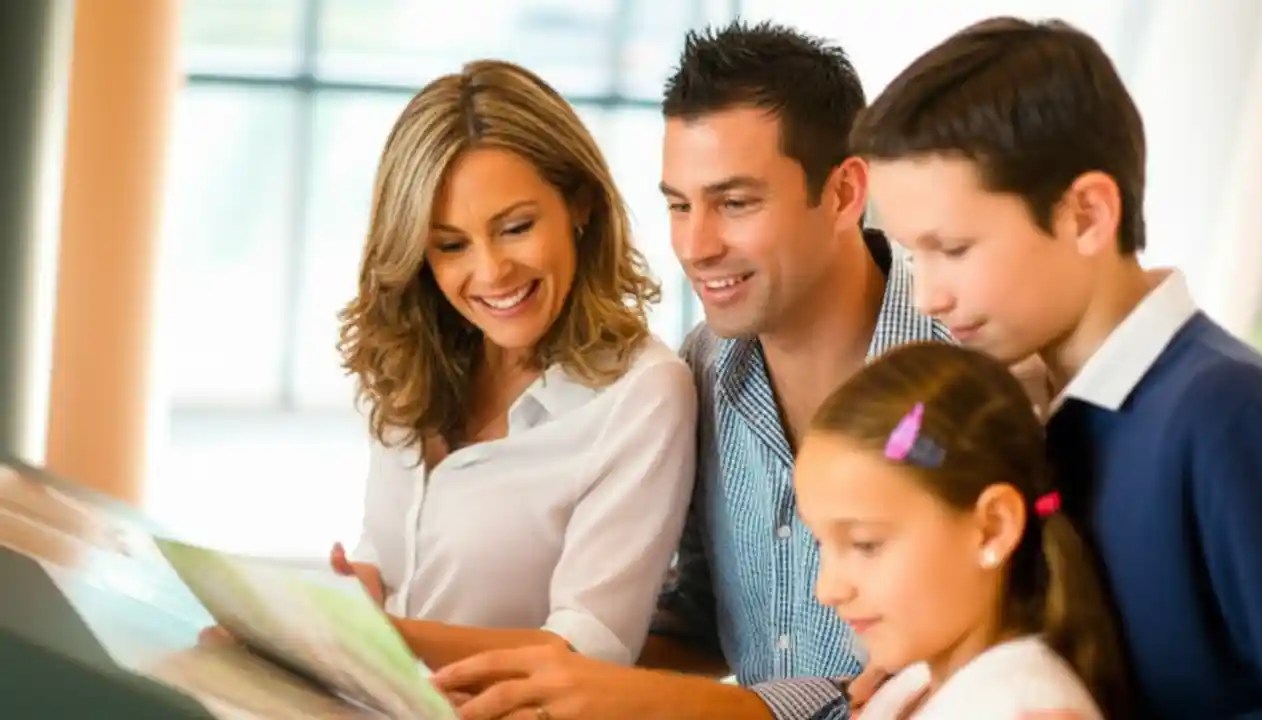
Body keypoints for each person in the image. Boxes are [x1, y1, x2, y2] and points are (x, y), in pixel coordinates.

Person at [431, 22, 950, 720]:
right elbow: (703, 618)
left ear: (843, 192)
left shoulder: (969, 371)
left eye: (735, 203)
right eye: (679, 205)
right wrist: (541, 670)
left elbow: (929, 685)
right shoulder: (704, 367)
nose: (696, 246)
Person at [851, 16, 1262, 718]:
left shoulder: (1224, 414)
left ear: (1087, 213)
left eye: (953, 249)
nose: (928, 296)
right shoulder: (1008, 413)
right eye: (911, 255)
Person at [332, 59, 698, 670]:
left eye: (516, 228)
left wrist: (381, 638)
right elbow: (388, 564)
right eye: (451, 245)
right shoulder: (411, 365)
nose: (492, 272)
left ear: (579, 203)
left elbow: (588, 649)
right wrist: (332, 607)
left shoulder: (642, 393)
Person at [796, 341, 1126, 718]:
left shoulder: (1025, 709)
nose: (828, 590)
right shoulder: (913, 686)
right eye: (821, 542)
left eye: (865, 544)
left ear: (992, 528)